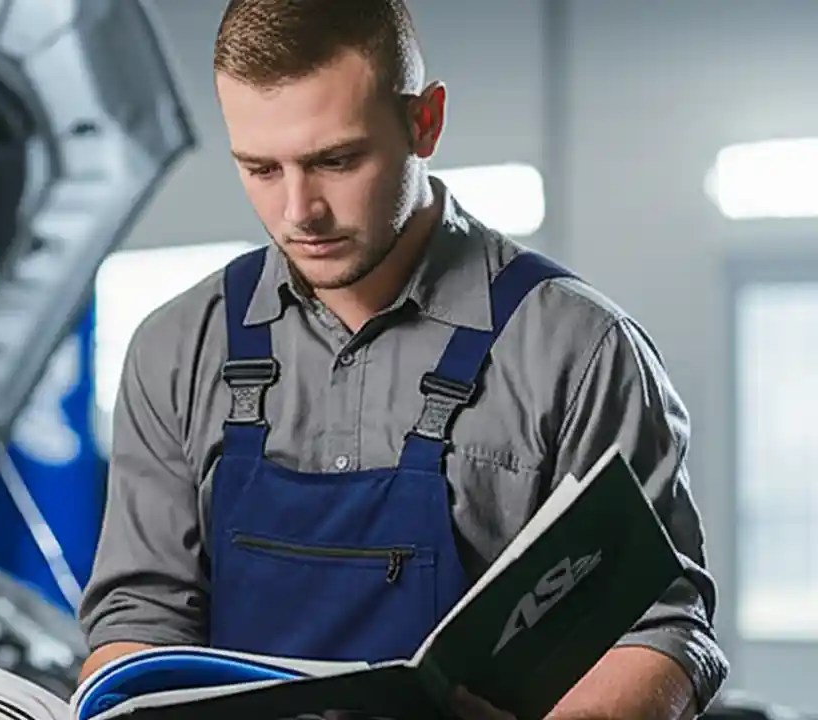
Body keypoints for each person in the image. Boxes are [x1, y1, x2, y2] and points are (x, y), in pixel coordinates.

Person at [76, 0, 728, 717]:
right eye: (261, 168)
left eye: (336, 161)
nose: (299, 212)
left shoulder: (579, 351)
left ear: (425, 123)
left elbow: (657, 627)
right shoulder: (177, 349)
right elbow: (139, 618)